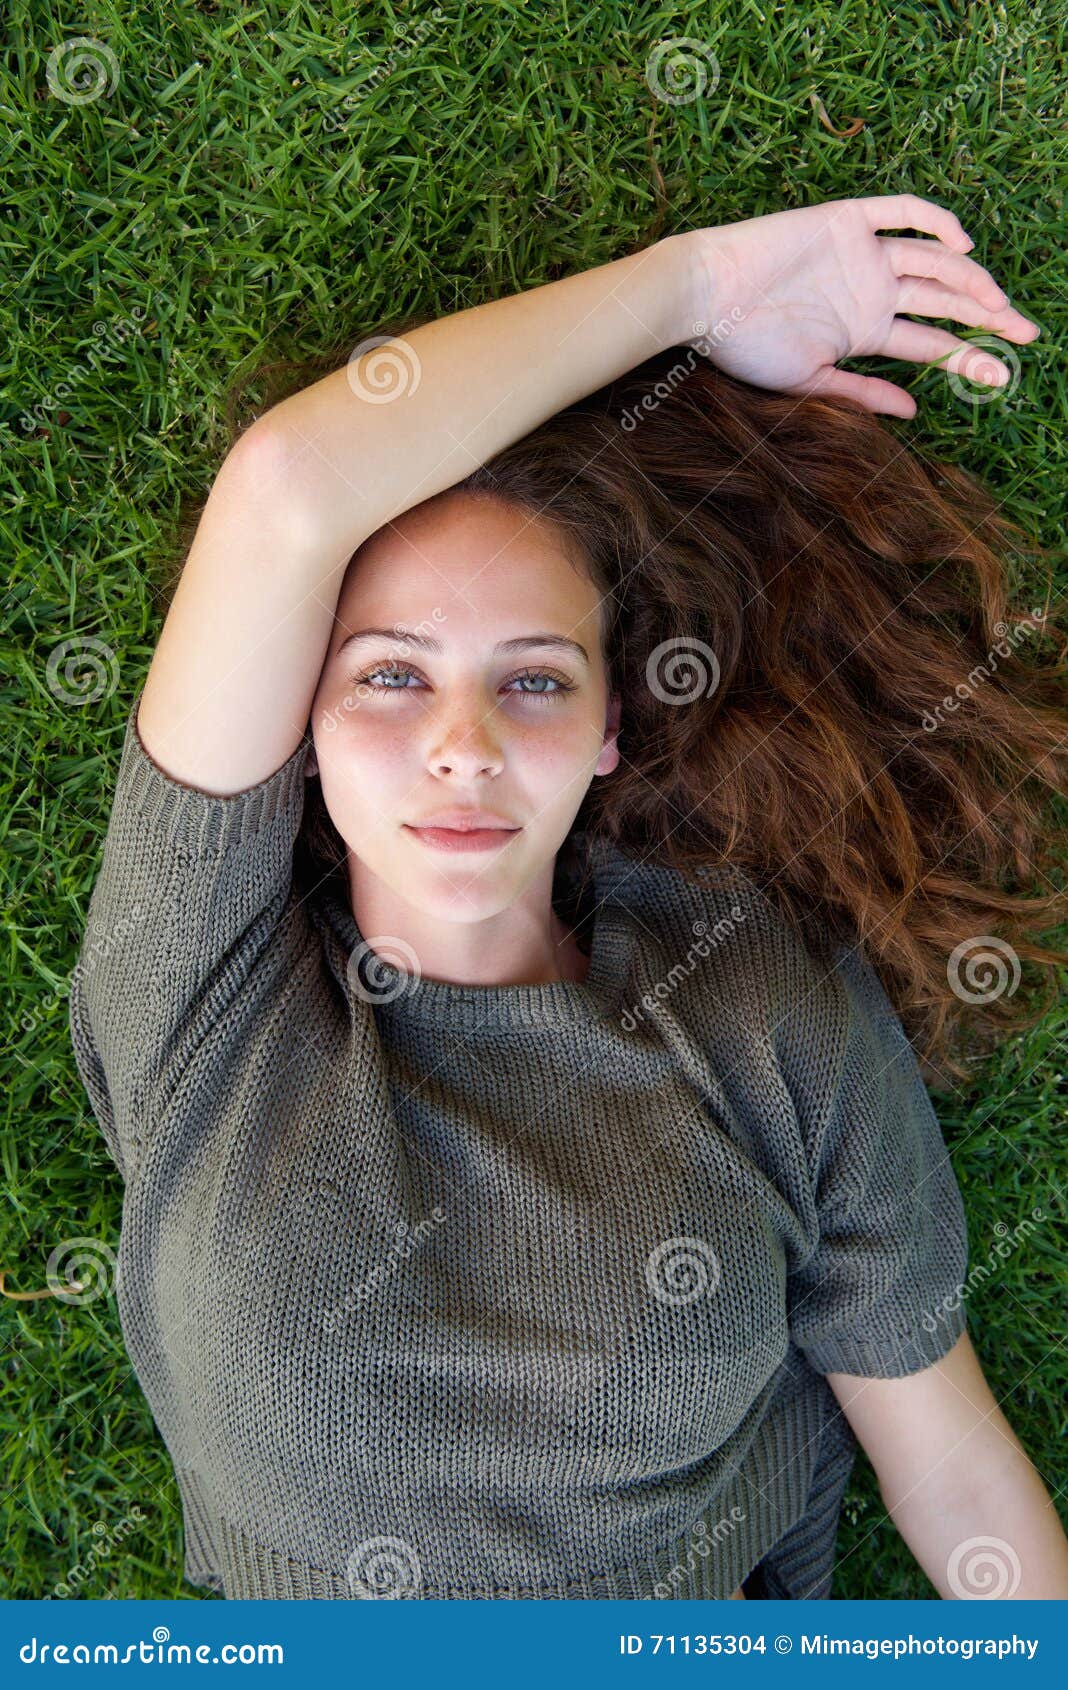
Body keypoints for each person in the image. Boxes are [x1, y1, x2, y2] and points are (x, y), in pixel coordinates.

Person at [69, 193, 1068, 1601]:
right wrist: (700, 286)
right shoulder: (206, 997)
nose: (463, 741)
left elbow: (951, 1466)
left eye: (532, 677)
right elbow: (292, 486)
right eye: (392, 674)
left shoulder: (752, 997)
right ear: (301, 710)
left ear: (609, 726)